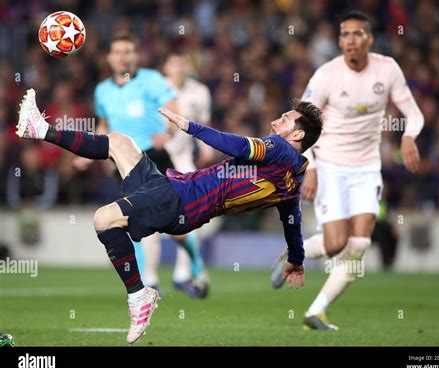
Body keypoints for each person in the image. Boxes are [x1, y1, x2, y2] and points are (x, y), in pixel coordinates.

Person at [16, 89, 323, 344]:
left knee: (104, 219)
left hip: (182, 202)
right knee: (119, 142)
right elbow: (292, 221)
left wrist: (190, 127)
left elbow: (239, 145)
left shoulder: (281, 150)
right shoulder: (292, 182)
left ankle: (138, 297)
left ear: (297, 134)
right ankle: (40, 129)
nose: (274, 121)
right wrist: (296, 258)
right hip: (176, 188)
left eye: (283, 120)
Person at [271, 11, 424, 331]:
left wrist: (409, 136)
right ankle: (293, 253)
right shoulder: (327, 75)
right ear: (340, 41)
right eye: (344, 35)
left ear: (368, 39)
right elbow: (304, 124)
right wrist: (309, 166)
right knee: (334, 244)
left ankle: (316, 312)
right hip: (329, 165)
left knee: (360, 244)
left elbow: (414, 113)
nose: (350, 40)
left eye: (357, 34)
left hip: (367, 168)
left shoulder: (387, 69)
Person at [76, 34, 208, 297]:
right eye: (118, 51)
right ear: (109, 58)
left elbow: (173, 109)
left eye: (129, 51)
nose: (123, 56)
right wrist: (90, 152)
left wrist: (168, 133)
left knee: (176, 224)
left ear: (136, 56)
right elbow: (104, 124)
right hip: (122, 163)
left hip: (154, 158)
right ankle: (147, 281)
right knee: (130, 222)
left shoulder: (151, 80)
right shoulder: (102, 90)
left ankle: (195, 263)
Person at [162, 49, 215, 293]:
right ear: (166, 67)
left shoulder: (200, 92)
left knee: (196, 214)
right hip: (154, 160)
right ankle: (148, 278)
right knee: (147, 216)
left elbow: (203, 124)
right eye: (175, 63)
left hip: (183, 160)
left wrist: (206, 147)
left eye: (183, 63)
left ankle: (182, 273)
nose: (180, 68)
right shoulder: (155, 88)